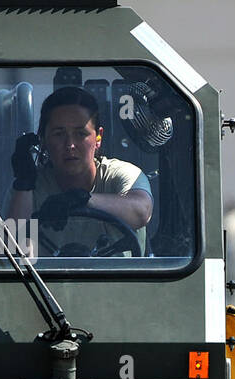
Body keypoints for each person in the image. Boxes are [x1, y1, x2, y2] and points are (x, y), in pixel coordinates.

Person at [8, 85, 153, 257]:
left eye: (80, 134)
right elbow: (13, 248)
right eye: (59, 134)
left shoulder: (120, 175)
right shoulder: (30, 189)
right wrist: (24, 184)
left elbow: (141, 211)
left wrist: (81, 200)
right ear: (43, 139)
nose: (70, 145)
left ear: (98, 137)